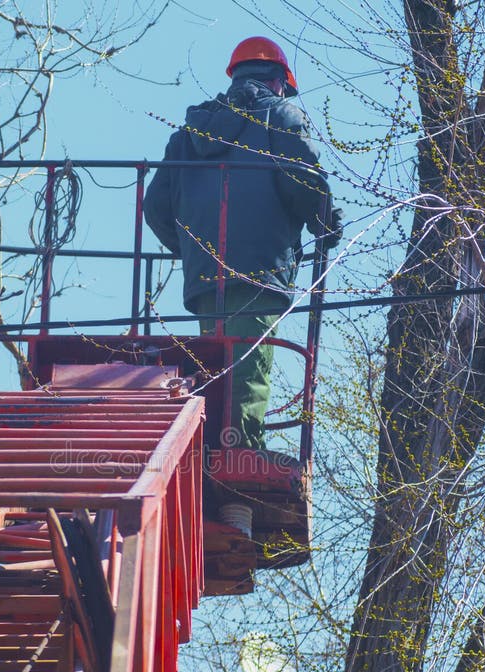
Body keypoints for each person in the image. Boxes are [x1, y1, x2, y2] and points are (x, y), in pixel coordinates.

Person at [144, 36, 341, 450]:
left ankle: (214, 445)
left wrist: (191, 250)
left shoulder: (189, 134)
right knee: (247, 371)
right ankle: (241, 454)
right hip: (260, 273)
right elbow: (304, 184)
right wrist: (328, 221)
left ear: (235, 77)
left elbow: (156, 207)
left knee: (213, 365)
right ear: (278, 82)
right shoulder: (281, 116)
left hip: (204, 279)